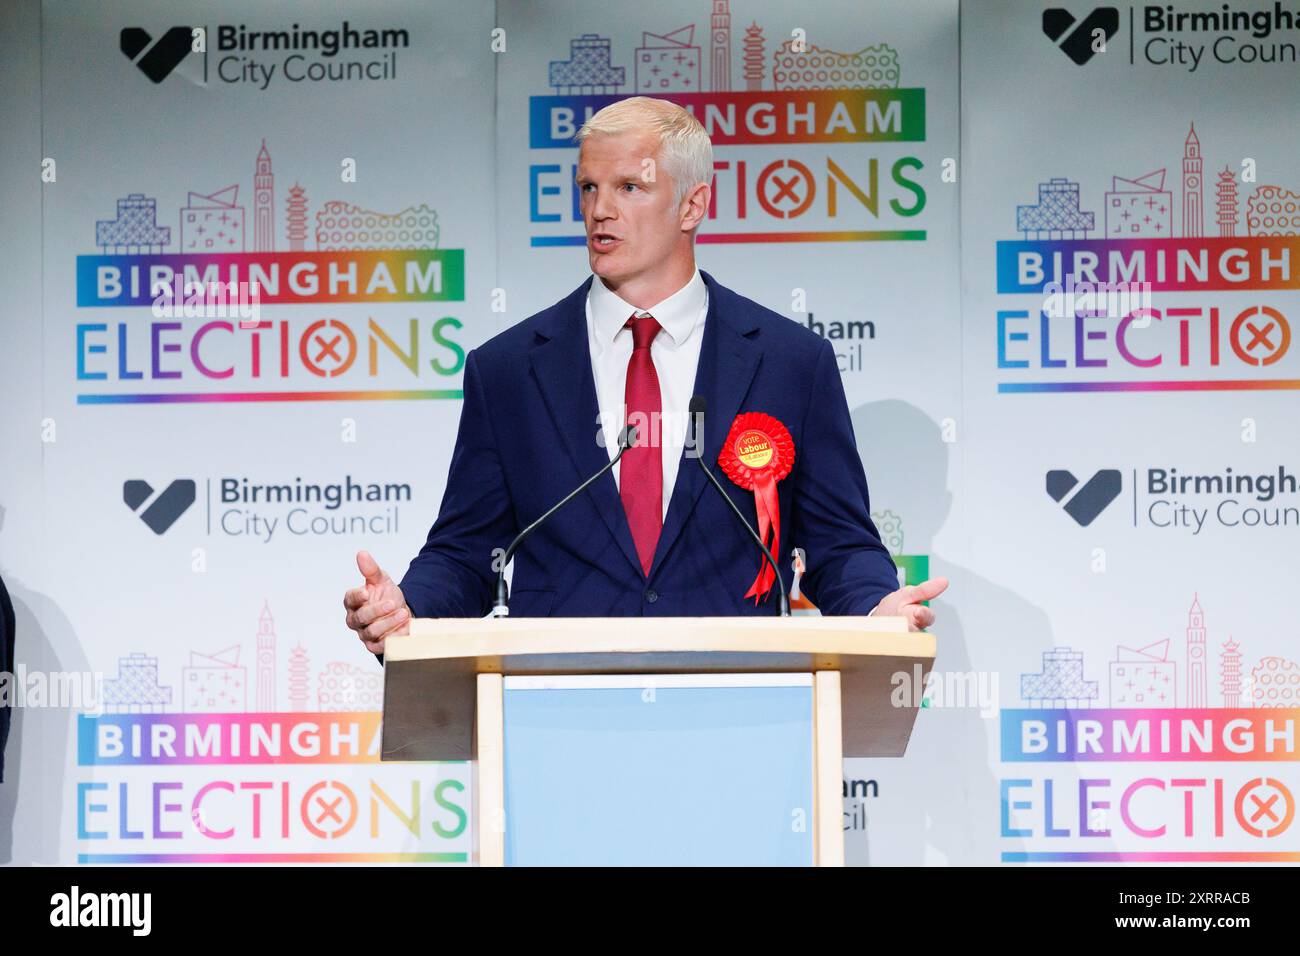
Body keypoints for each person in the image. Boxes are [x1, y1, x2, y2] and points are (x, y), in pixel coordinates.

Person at [344, 96, 947, 659]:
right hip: (557, 713)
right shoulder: (507, 370)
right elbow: (467, 553)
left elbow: (837, 543)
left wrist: (876, 608)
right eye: (589, 188)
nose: (600, 210)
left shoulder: (791, 362)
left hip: (741, 703)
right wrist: (407, 611)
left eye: (629, 187)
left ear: (693, 205)